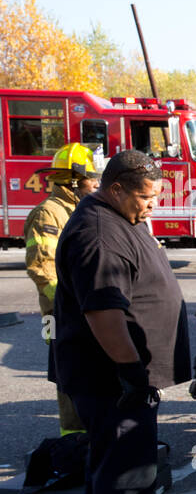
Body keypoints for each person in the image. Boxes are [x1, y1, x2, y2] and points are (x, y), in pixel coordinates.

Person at [51, 150, 191, 494]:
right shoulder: (98, 234)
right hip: (110, 375)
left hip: (116, 373)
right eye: (146, 197)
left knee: (109, 458)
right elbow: (103, 314)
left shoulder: (121, 220)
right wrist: (131, 371)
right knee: (130, 465)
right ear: (115, 189)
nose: (153, 205)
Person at [25, 142, 100, 437]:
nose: (96, 185)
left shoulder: (78, 209)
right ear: (73, 180)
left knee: (84, 370)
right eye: (91, 180)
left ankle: (89, 432)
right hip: (57, 312)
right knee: (68, 373)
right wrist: (68, 305)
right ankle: (74, 440)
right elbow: (41, 268)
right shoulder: (49, 214)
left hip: (76, 307)